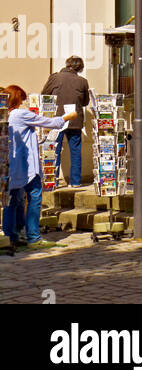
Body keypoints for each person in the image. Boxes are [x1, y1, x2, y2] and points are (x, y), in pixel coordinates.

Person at [4, 86, 77, 253]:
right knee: (35, 197)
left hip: (13, 165)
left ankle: (11, 236)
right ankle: (33, 236)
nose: (23, 103)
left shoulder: (6, 116)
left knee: (12, 201)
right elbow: (50, 122)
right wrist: (68, 116)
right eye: (22, 100)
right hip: (27, 165)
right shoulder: (20, 114)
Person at [40, 56, 91, 188]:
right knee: (75, 150)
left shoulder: (55, 77)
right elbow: (85, 102)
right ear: (80, 68)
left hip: (57, 119)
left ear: (67, 64)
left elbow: (44, 94)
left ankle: (53, 180)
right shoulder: (83, 81)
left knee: (53, 150)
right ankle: (75, 181)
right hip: (75, 119)